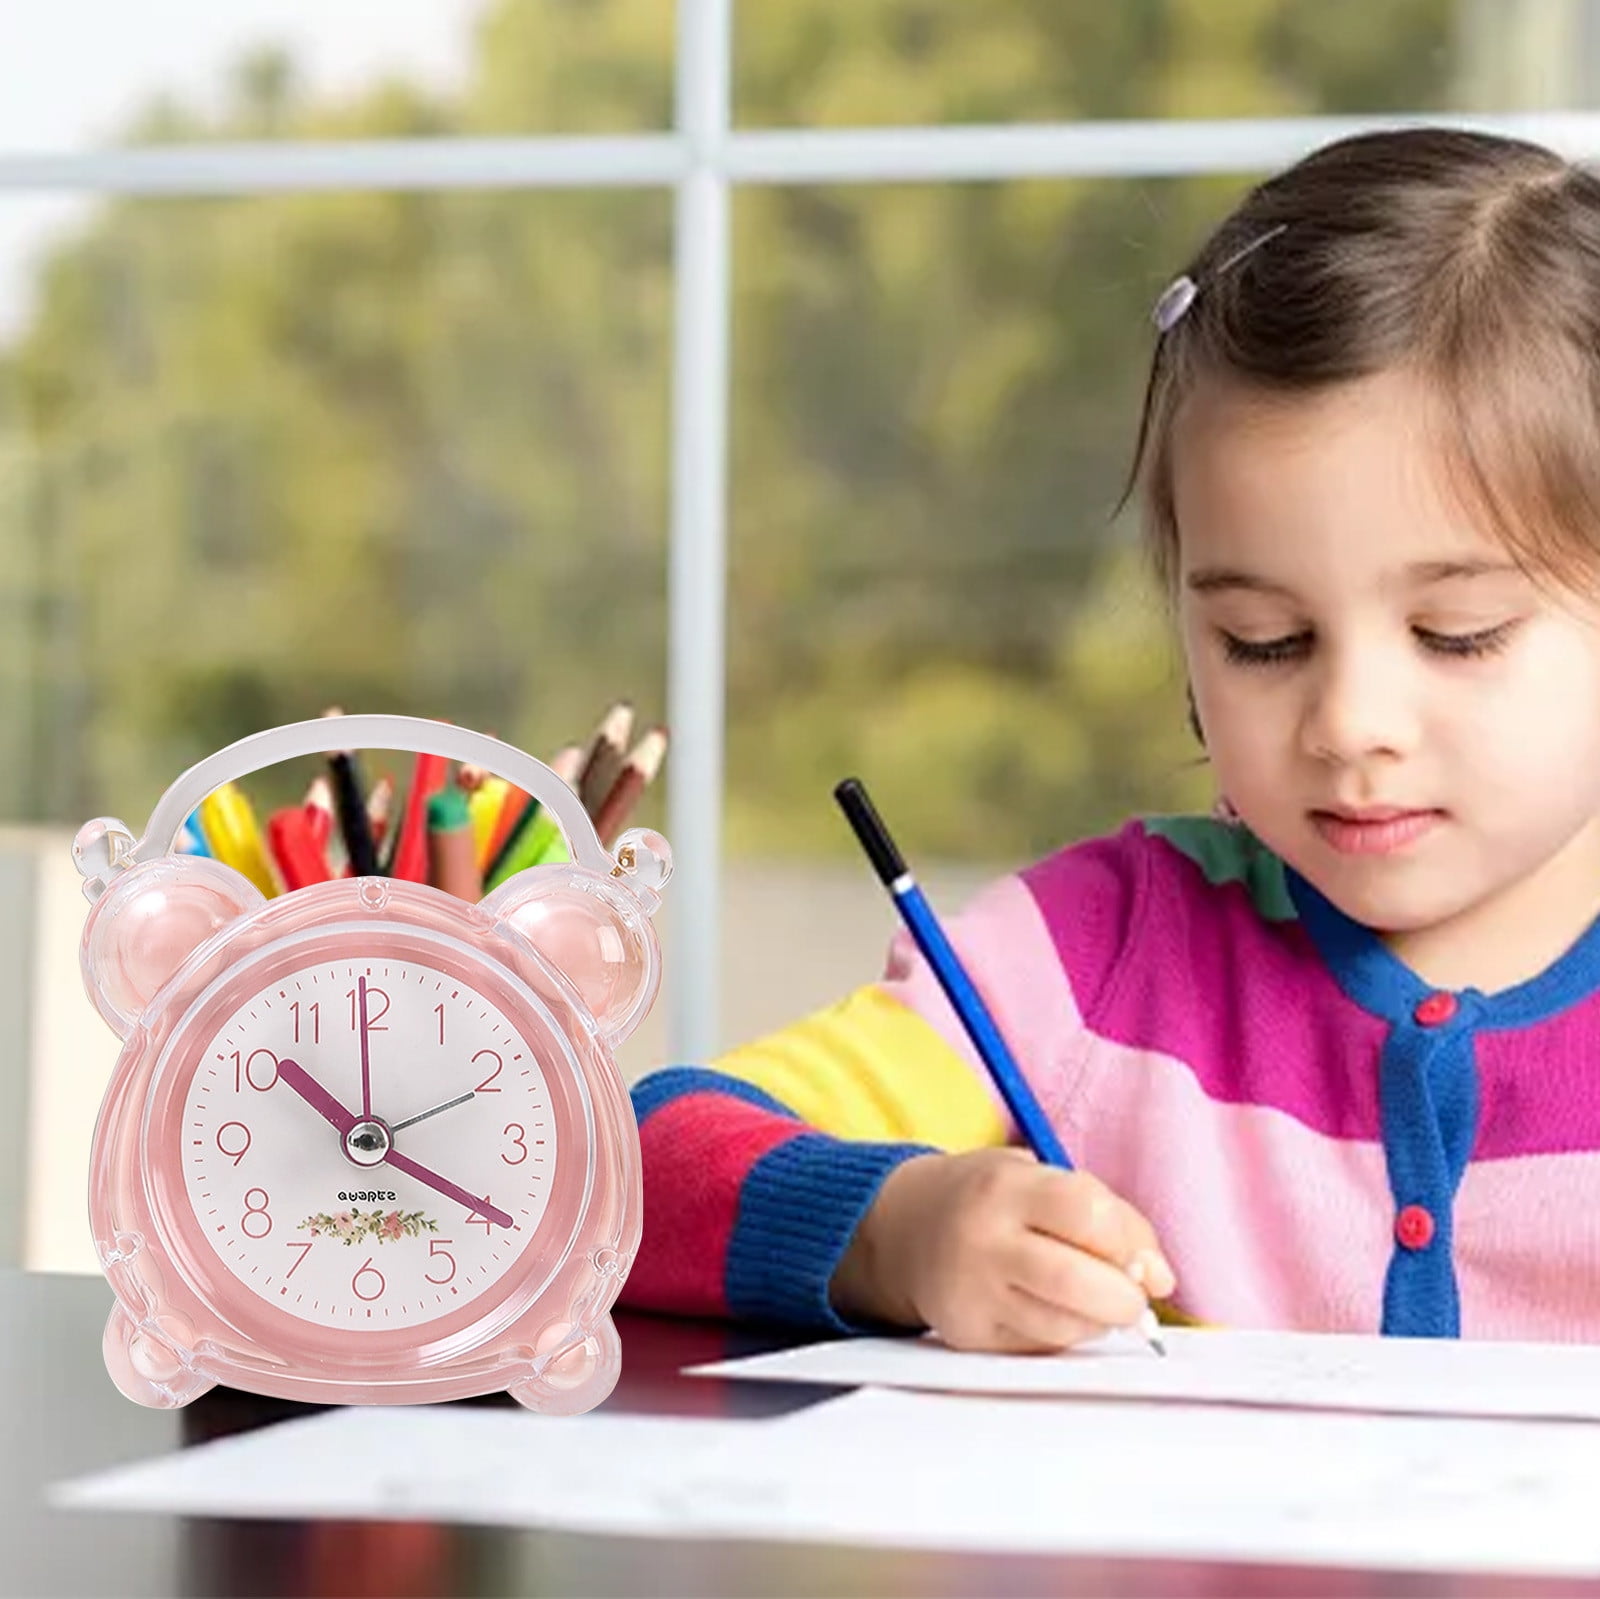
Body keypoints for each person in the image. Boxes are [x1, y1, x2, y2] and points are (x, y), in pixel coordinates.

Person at [620, 125, 1600, 1349]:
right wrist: (895, 1230)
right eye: (1260, 640)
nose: (1350, 725)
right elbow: (636, 1163)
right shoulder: (1098, 956)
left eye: (1456, 635)